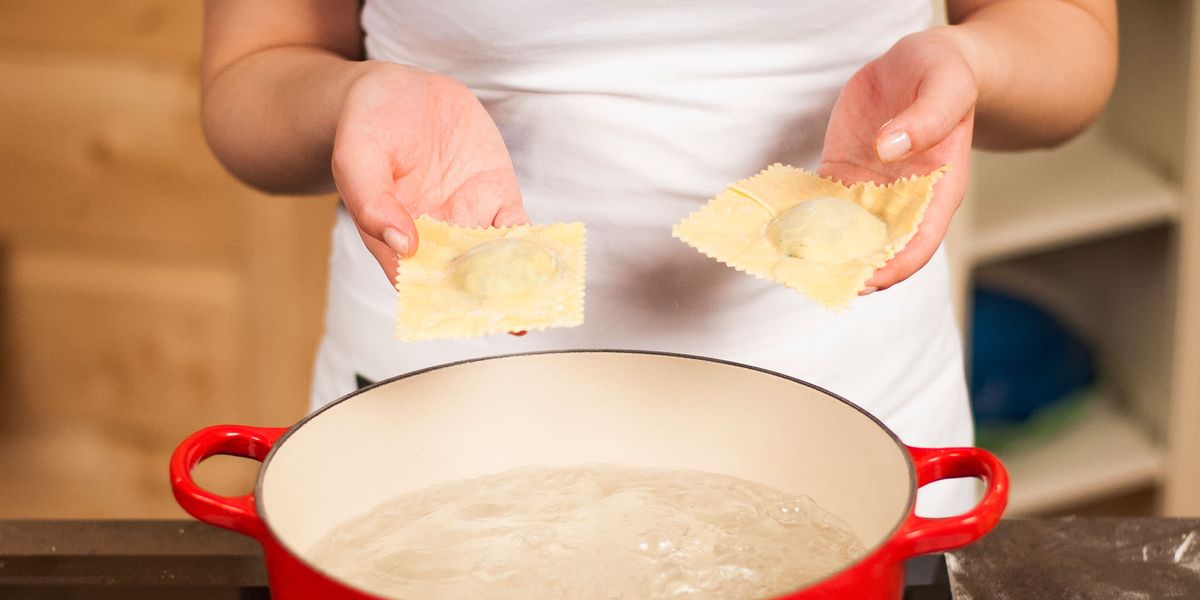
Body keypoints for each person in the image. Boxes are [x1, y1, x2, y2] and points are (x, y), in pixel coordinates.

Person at [199, 0, 1117, 515]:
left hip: (850, 423)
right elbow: (255, 70)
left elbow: (1068, 36)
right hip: (430, 428)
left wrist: (973, 62)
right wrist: (352, 97)